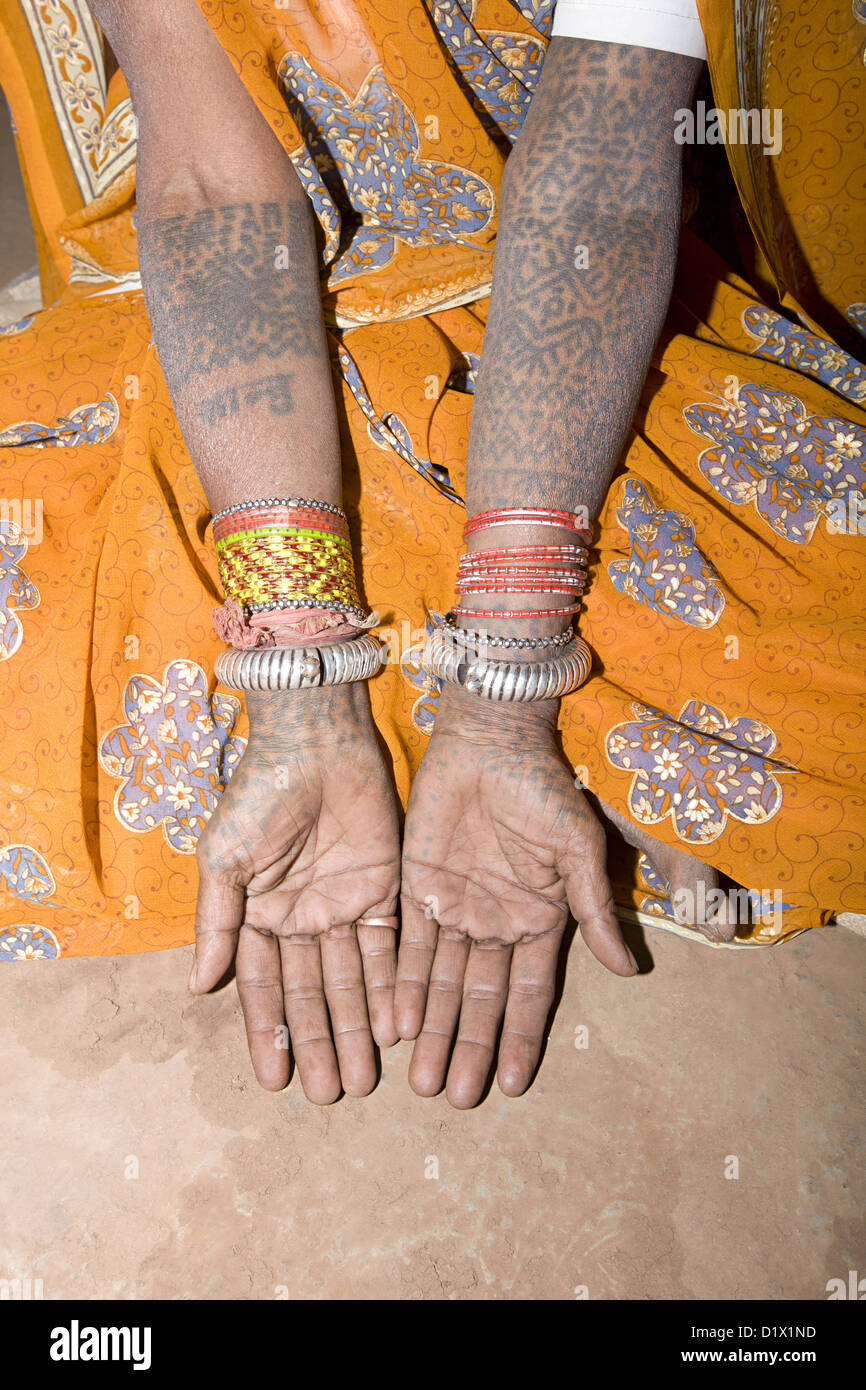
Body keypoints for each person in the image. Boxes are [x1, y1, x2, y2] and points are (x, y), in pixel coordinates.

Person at [0, 0, 863, 1107]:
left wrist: (505, 681)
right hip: (230, 344)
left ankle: (484, 713)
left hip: (565, 321)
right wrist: (300, 677)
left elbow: (596, 176)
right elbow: (216, 188)